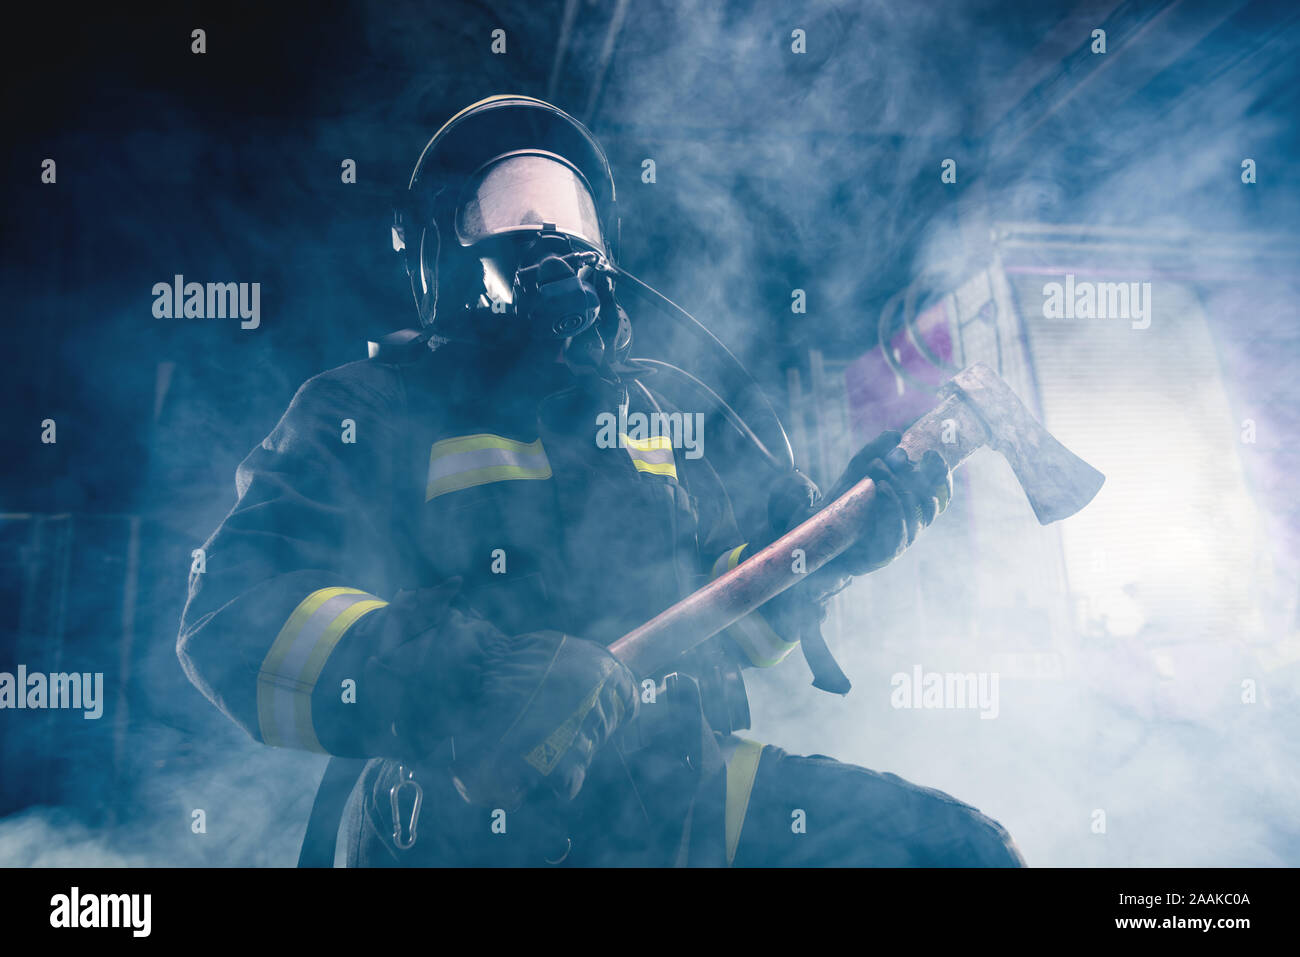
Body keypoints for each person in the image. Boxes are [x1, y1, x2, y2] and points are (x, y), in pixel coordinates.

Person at [178, 95, 1025, 867]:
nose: (552, 233)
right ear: (444, 246)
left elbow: (739, 620)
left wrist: (838, 543)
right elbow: (230, 613)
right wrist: (466, 687)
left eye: (573, 213)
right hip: (451, 817)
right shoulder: (368, 406)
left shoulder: (652, 417)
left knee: (959, 852)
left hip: (670, 793)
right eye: (514, 207)